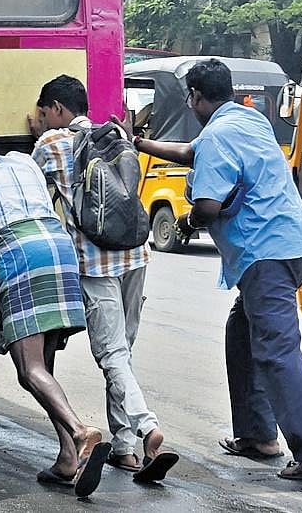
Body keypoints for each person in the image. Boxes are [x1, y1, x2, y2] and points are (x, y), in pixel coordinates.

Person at [133, 58, 302, 481]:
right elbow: (191, 153)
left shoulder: (217, 139)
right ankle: (256, 434)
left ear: (196, 97)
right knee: (241, 332)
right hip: (296, 245)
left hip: (267, 254)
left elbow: (207, 206)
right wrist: (141, 144)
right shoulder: (249, 121)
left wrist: (188, 221)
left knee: (277, 351)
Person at [0, 130, 111, 498]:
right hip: (60, 247)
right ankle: (68, 456)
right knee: (43, 368)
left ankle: (80, 431)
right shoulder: (24, 162)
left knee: (30, 369)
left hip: (21, 253)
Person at [29, 75, 176, 481]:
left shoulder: (52, 144)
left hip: (95, 261)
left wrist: (38, 139)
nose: (41, 121)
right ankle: (125, 448)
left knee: (112, 355)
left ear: (57, 108)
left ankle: (147, 429)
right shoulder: (113, 133)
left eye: (44, 113)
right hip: (135, 254)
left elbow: (32, 190)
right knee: (123, 352)